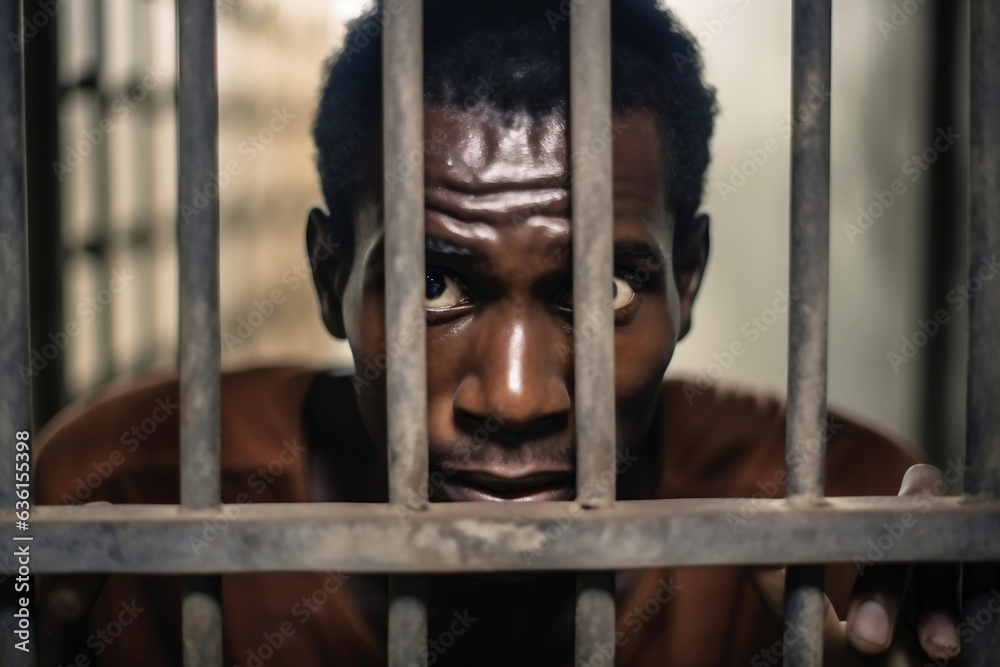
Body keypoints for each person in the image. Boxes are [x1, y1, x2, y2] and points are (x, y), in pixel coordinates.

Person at [36, 1, 961, 665]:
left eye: (601, 287)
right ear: (330, 279)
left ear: (688, 282)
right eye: (432, 284)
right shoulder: (97, 499)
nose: (515, 398)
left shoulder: (845, 524)